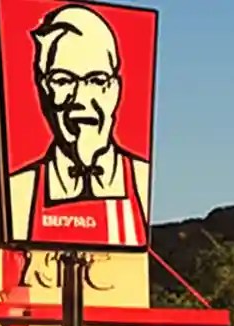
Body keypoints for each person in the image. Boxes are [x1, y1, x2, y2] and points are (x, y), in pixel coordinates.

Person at [8, 4, 151, 247]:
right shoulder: (17, 192)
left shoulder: (142, 179)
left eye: (96, 80)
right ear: (44, 90)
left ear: (115, 89)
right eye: (63, 80)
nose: (80, 98)